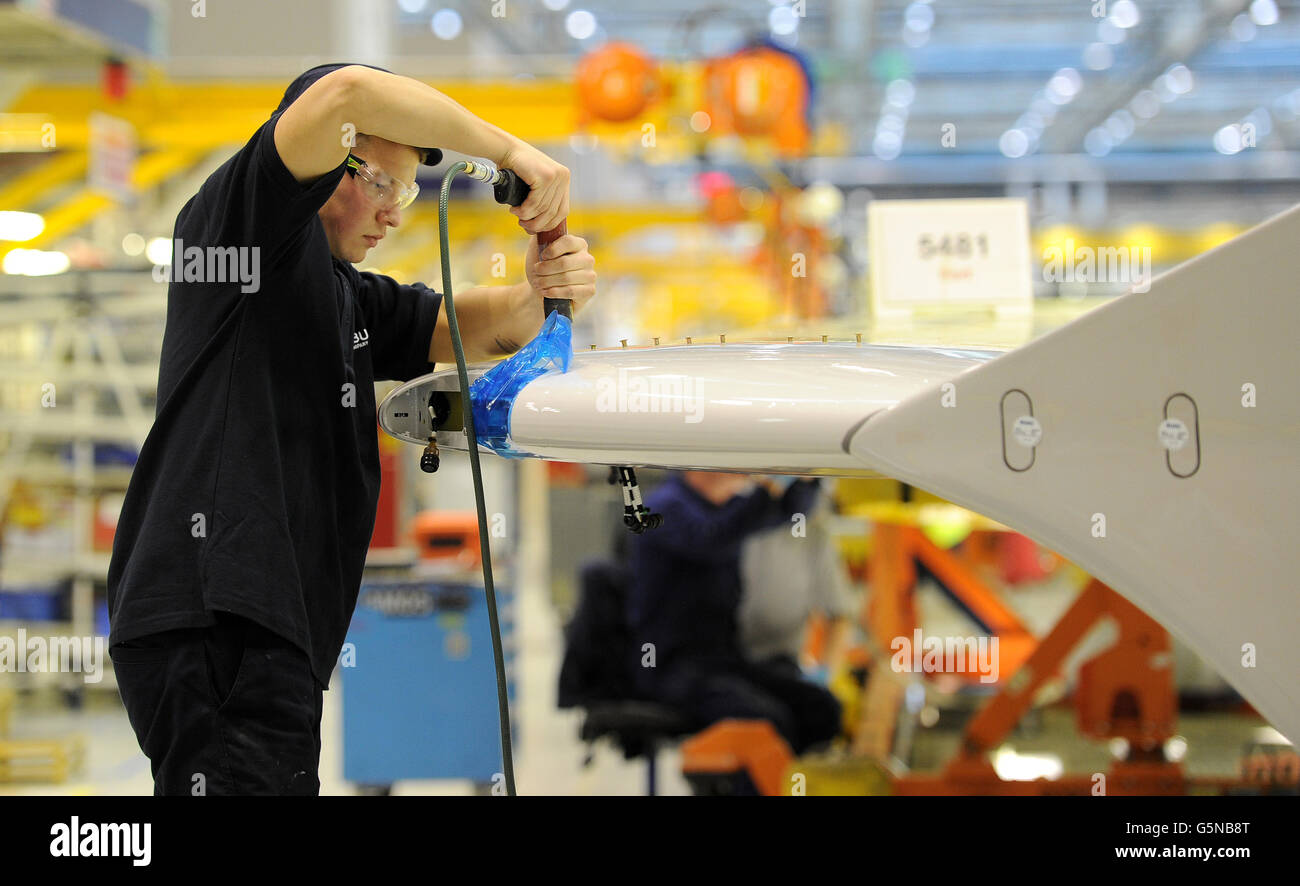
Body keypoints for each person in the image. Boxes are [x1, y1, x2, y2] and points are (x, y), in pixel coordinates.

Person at [106, 63, 596, 795]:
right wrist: (508, 151)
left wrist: (543, 287)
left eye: (406, 192)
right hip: (222, 614)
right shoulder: (242, 228)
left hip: (266, 629)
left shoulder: (343, 295)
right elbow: (348, 93)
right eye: (383, 184)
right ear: (329, 158)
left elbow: (478, 325)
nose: (396, 212)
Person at [626, 472, 842, 755]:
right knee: (763, 721)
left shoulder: (716, 508)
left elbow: (781, 515)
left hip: (721, 661)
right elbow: (713, 536)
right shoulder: (663, 507)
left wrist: (808, 479)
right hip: (672, 667)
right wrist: (771, 485)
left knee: (819, 707)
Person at [738, 481, 855, 680]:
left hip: (780, 665)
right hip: (717, 660)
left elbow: (839, 614)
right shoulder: (725, 515)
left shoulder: (810, 532)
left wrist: (823, 676)